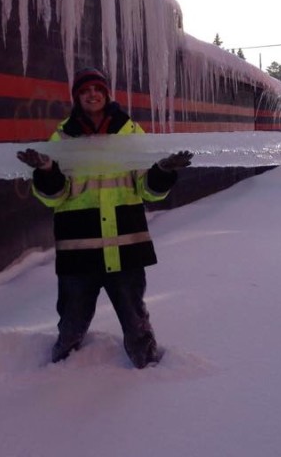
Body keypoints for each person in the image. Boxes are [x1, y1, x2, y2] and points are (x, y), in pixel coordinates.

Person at [17, 67, 192, 368]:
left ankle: (148, 369)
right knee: (71, 320)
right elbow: (55, 196)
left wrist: (162, 171)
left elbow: (146, 190)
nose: (92, 95)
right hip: (79, 250)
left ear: (107, 94)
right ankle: (60, 372)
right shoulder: (62, 137)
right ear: (77, 97)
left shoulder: (130, 133)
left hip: (125, 247)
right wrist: (46, 171)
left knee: (135, 318)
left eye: (97, 89)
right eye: (85, 91)